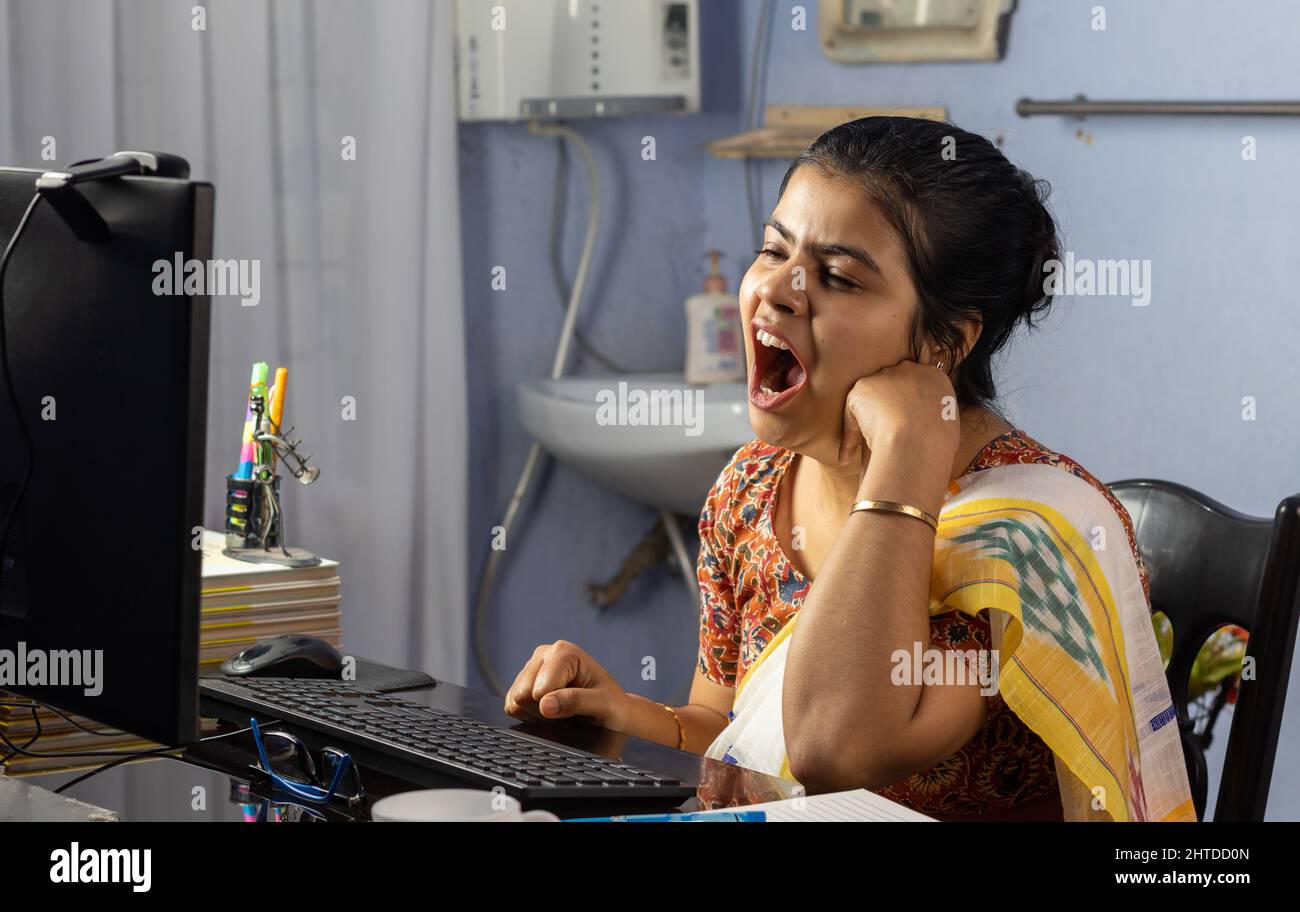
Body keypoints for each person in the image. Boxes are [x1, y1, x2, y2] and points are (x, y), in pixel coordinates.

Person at [504, 116, 1195, 822]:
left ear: (944, 342)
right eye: (773, 250)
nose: (777, 289)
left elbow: (834, 746)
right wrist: (623, 715)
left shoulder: (1025, 539)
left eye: (836, 276)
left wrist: (906, 456)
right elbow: (729, 743)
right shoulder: (750, 489)